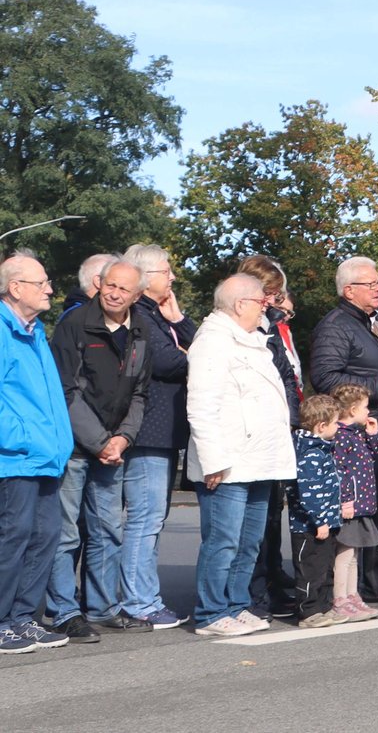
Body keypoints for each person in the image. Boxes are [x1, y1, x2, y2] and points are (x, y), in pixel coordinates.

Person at [44, 256, 151, 640]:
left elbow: (139, 392)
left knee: (108, 531)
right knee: (66, 534)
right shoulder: (73, 324)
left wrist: (123, 438)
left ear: (137, 295)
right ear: (99, 284)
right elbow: (66, 391)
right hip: (75, 447)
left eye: (124, 289)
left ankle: (103, 608)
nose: (115, 293)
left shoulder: (140, 330)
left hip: (113, 448)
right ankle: (63, 611)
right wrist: (101, 442)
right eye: (111, 285)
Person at [186, 274, 297, 638]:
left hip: (258, 459)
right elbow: (201, 406)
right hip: (229, 462)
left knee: (249, 542)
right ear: (239, 304)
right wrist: (213, 461)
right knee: (223, 540)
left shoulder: (251, 339)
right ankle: (211, 612)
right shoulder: (213, 341)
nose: (266, 309)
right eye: (261, 303)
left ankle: (236, 605)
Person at [308, 258, 378, 606]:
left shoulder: (372, 322)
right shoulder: (336, 326)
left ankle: (377, 583)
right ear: (348, 290)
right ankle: (355, 587)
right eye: (370, 284)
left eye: (377, 284)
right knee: (360, 515)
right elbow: (325, 377)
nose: (377, 289)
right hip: (354, 439)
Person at [0, 255, 71, 653]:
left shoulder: (36, 330)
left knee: (45, 536)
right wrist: (24, 438)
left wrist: (57, 441)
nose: (49, 289)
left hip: (45, 456)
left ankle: (22, 618)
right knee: (13, 539)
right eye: (41, 283)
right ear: (15, 288)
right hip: (15, 457)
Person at [123, 243, 193, 629]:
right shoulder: (141, 317)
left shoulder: (157, 315)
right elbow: (170, 361)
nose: (173, 278)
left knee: (152, 518)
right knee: (145, 519)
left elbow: (192, 347)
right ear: (145, 277)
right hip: (149, 431)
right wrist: (187, 353)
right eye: (166, 271)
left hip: (162, 431)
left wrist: (179, 319)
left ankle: (144, 598)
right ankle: (139, 601)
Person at [235, 255, 303, 620]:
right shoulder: (245, 328)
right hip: (255, 432)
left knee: (272, 513)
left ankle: (271, 580)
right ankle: (252, 593)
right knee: (253, 522)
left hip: (279, 428)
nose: (277, 301)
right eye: (273, 294)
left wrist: (292, 419)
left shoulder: (274, 325)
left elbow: (288, 377)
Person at [288, 393, 347, 627]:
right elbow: (308, 493)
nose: (338, 427)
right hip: (310, 526)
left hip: (326, 522)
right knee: (310, 569)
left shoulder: (322, 449)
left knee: (324, 567)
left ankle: (324, 606)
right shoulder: (310, 454)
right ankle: (308, 611)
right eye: (335, 423)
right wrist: (320, 520)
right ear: (321, 426)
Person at [326, 385, 378, 622]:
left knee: (354, 553)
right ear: (352, 410)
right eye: (365, 407)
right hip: (350, 506)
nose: (368, 411)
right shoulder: (341, 436)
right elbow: (340, 471)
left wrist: (372, 436)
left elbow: (371, 457)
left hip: (360, 504)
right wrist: (346, 500)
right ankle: (340, 599)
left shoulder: (355, 433)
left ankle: (352, 595)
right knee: (345, 553)